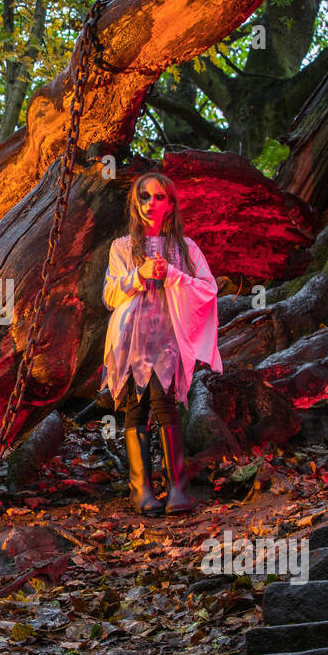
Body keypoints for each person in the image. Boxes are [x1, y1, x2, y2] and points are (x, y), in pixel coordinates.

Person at [100, 170, 223, 516]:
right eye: (144, 197)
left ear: (170, 205)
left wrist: (172, 274)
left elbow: (208, 289)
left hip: (168, 340)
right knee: (135, 408)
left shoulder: (186, 249)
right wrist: (138, 276)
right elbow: (109, 295)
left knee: (166, 405)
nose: (151, 203)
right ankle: (141, 490)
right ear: (136, 204)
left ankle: (178, 489)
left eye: (159, 197)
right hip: (131, 341)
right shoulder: (122, 248)